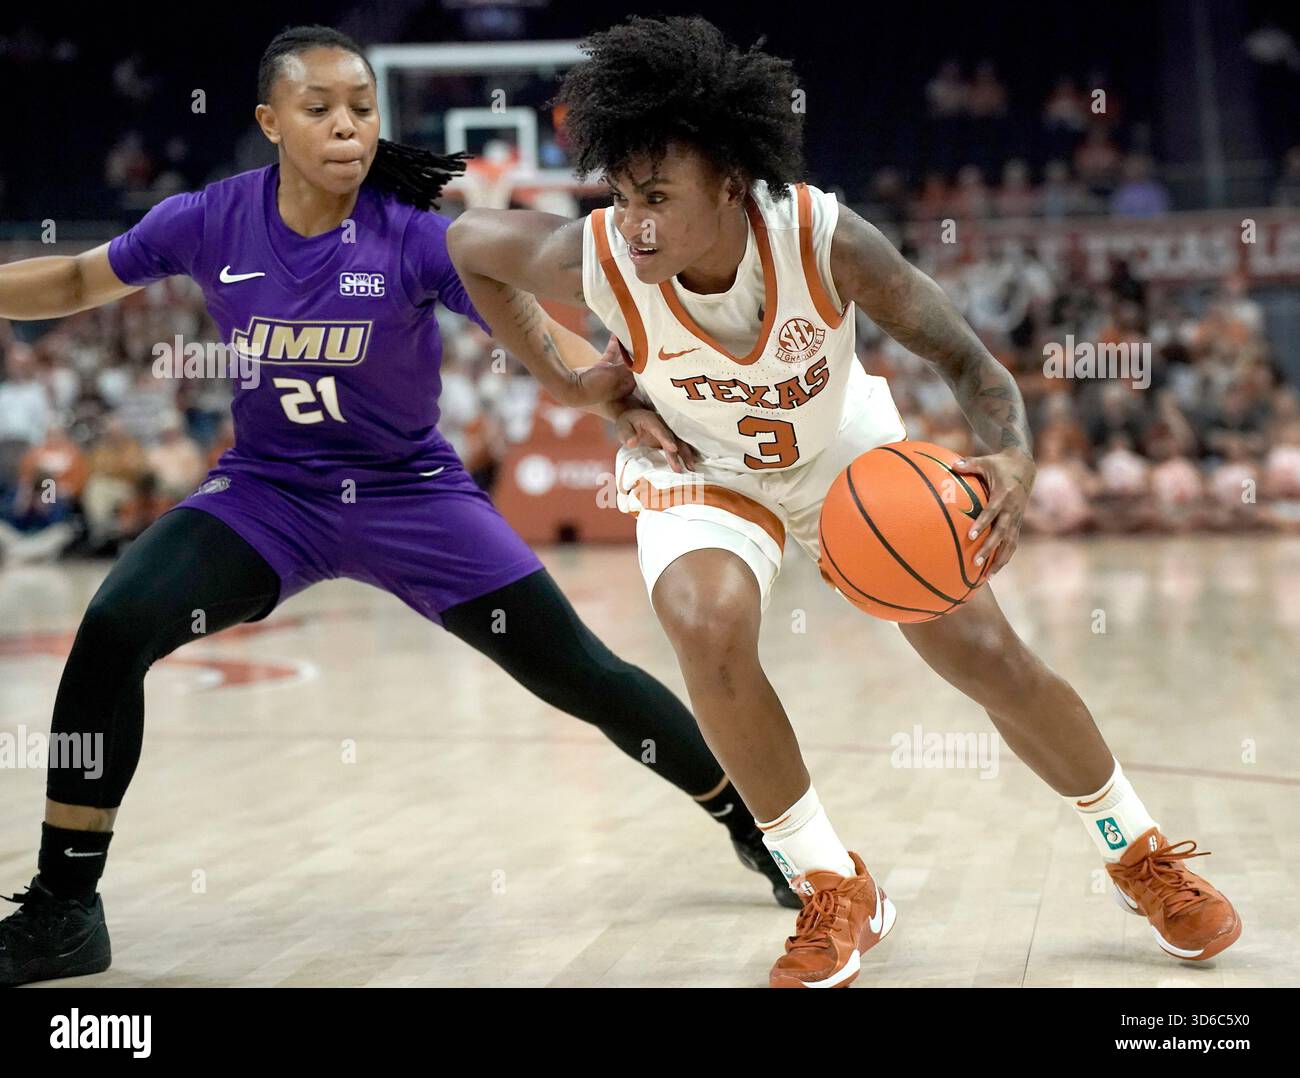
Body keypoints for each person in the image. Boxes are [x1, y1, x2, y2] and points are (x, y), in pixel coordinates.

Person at [448, 14, 1242, 988]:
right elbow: (469, 244)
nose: (634, 219)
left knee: (984, 651)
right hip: (700, 464)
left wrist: (1014, 456)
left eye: (658, 195)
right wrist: (575, 384)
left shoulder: (823, 239)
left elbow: (962, 357)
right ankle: (830, 881)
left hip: (841, 452)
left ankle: (1137, 851)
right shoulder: (600, 253)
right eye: (621, 192)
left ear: (732, 184)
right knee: (704, 622)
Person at [0, 23, 798, 991]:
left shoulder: (417, 235)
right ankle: (65, 908)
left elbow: (525, 308)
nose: (347, 126)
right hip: (268, 493)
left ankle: (753, 824)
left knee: (580, 674)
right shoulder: (208, 219)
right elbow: (84, 276)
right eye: (320, 108)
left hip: (410, 494)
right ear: (268, 123)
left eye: (363, 108)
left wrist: (591, 384)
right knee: (116, 620)